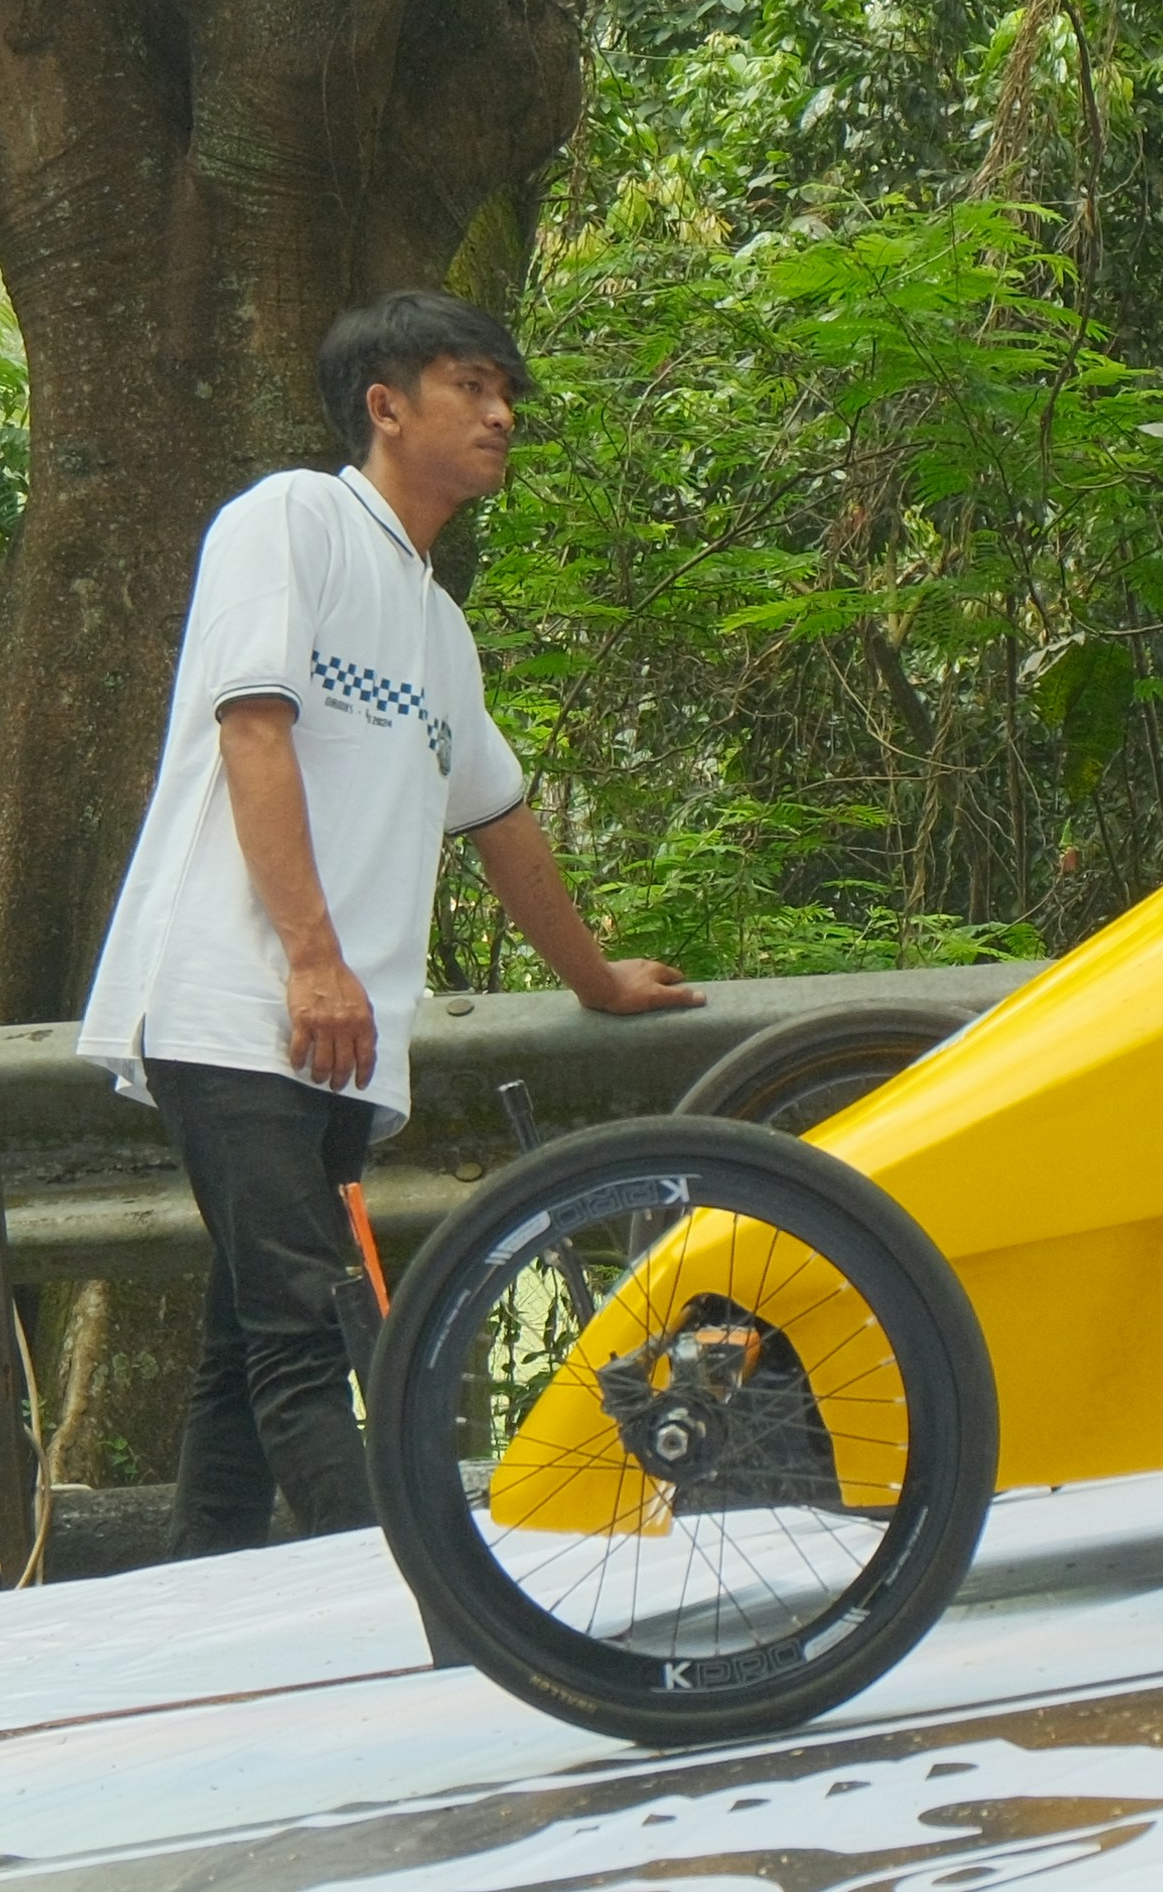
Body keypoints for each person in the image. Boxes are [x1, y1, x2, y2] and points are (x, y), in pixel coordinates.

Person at [76, 289, 698, 1570]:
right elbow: (253, 730)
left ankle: (205, 1595)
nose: (501, 412)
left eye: (506, 392)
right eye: (471, 384)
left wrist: (597, 978)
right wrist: (312, 958)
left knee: (249, 1338)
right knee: (315, 1328)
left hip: (341, 1037)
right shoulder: (290, 521)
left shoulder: (438, 626)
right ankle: (412, 1600)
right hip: (237, 1003)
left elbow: (501, 819)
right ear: (386, 405)